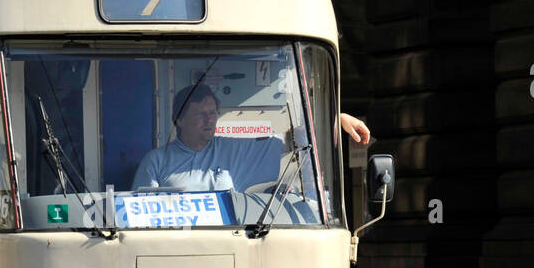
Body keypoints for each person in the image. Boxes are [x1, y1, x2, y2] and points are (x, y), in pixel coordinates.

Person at [133, 84, 372, 191]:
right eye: (199, 114)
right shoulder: (156, 160)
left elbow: (292, 141)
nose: (209, 120)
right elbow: (138, 214)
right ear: (179, 119)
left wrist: (336, 119)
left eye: (213, 113)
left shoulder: (230, 150)